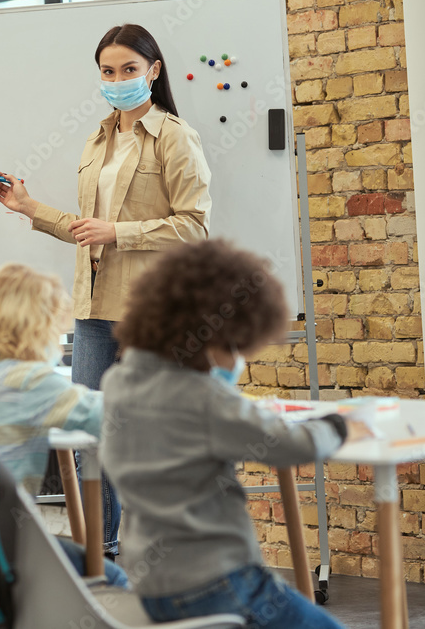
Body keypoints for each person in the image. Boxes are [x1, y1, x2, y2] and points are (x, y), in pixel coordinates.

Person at [0, 23, 213, 557]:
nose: (117, 81)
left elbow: (196, 225)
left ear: (153, 72)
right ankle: (103, 554)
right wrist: (28, 207)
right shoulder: (98, 138)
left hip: (150, 314)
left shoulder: (176, 137)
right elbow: (88, 226)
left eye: (129, 70)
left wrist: (122, 232)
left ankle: (165, 553)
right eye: (108, 72)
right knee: (91, 435)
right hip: (93, 308)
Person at [101, 239, 350, 628]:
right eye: (232, 344)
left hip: (151, 584)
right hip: (220, 580)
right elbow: (289, 445)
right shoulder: (203, 396)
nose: (237, 358)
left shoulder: (117, 382)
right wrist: (336, 426)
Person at [0, 263, 129, 589]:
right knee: (114, 582)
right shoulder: (31, 382)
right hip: (9, 555)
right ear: (37, 327)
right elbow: (111, 420)